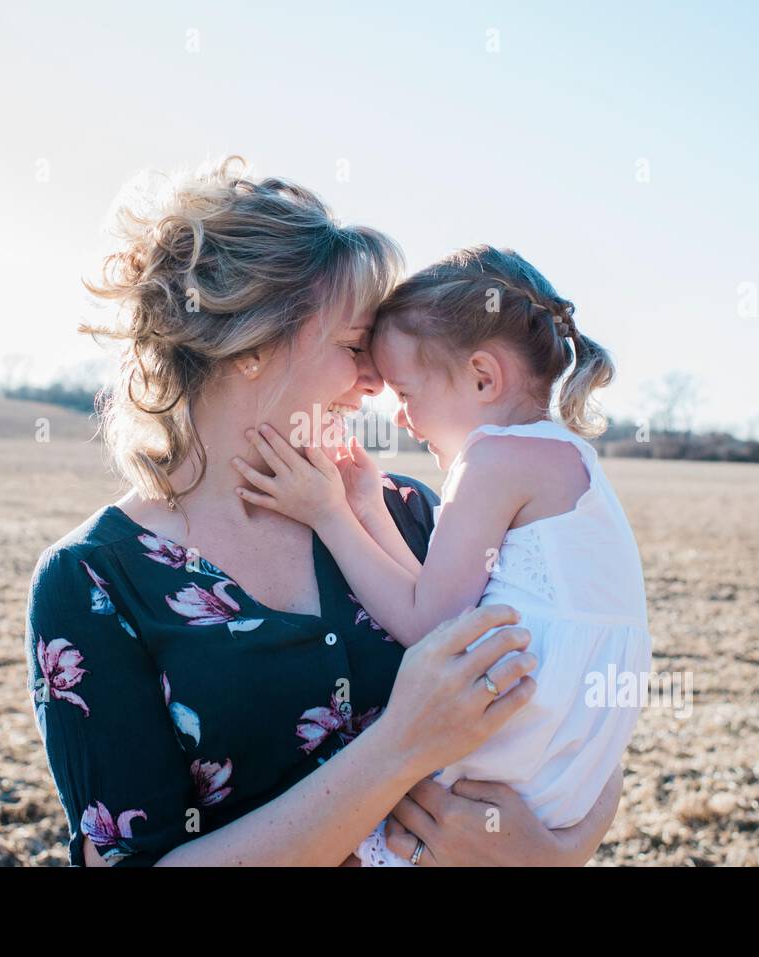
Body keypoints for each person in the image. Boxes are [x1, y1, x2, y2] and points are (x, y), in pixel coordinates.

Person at [25, 158, 624, 866]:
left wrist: (552, 853)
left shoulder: (410, 513)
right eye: (352, 348)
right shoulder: (95, 581)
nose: (376, 383)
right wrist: (402, 745)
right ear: (250, 345)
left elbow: (572, 699)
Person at [230, 244, 650, 866]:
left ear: (483, 377)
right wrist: (370, 506)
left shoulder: (490, 461)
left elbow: (429, 625)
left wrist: (328, 514)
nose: (399, 416)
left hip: (516, 722)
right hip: (568, 754)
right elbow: (438, 595)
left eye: (405, 390)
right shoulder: (564, 458)